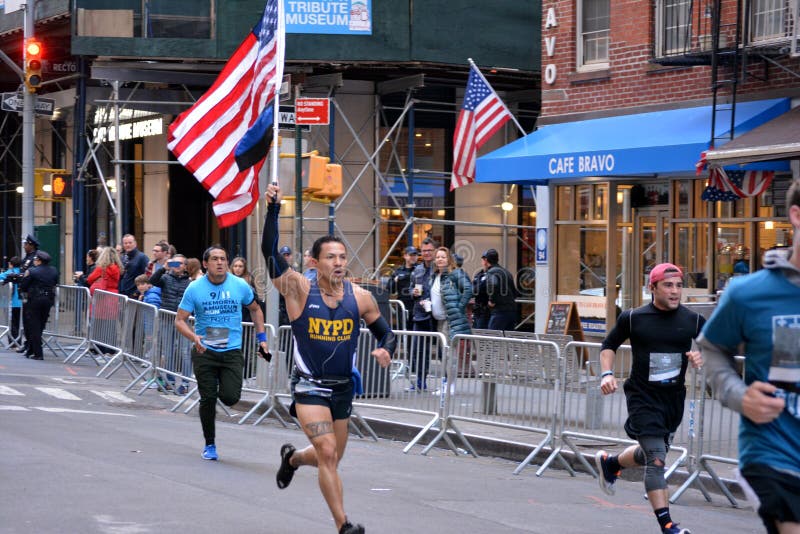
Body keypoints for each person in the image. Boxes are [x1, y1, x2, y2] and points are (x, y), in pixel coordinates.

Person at [262, 183, 394, 534]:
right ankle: (344, 526)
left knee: (327, 455)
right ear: (314, 262)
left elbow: (386, 332)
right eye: (330, 257)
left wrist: (386, 349)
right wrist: (273, 210)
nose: (337, 262)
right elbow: (269, 253)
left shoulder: (361, 296)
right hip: (309, 387)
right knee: (329, 452)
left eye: (341, 257)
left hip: (341, 389)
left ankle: (292, 458)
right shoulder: (298, 289)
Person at [697, 181, 800, 534]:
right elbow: (710, 349)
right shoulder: (750, 293)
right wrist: (739, 396)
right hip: (775, 452)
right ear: (796, 216)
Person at [594, 263, 705, 534]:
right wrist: (607, 374)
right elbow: (608, 346)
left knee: (650, 452)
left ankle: (611, 463)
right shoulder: (633, 318)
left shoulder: (693, 320)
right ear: (652, 288)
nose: (675, 291)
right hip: (642, 398)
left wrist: (701, 355)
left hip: (673, 400)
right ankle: (668, 525)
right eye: (668, 285)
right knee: (657, 458)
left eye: (679, 285)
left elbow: (717, 347)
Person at [175, 245, 268, 461]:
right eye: (215, 259)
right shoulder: (195, 288)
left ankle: (219, 392)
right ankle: (210, 444)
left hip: (231, 351)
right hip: (204, 349)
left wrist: (262, 339)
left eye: (223, 259)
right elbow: (179, 320)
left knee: (230, 396)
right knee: (207, 398)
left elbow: (255, 309)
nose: (220, 263)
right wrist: (193, 337)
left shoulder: (239, 285)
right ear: (205, 264)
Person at [149, 254, 193, 394]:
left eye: (180, 263)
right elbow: (152, 280)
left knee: (185, 352)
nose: (177, 266)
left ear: (185, 266)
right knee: (168, 352)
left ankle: (185, 383)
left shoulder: (190, 282)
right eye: (174, 263)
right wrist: (163, 268)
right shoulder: (165, 278)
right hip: (167, 319)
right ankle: (170, 380)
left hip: (184, 320)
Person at [409, 237, 438, 391]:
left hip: (437, 316)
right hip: (420, 315)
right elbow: (410, 289)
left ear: (435, 251)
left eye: (429, 250)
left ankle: (447, 383)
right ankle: (420, 381)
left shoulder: (440, 269)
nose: (426, 253)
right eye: (424, 251)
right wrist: (412, 293)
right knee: (419, 350)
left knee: (442, 350)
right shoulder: (417, 270)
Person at [19, 251, 58, 360]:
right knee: (41, 325)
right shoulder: (54, 271)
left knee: (34, 326)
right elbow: (54, 282)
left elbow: (24, 286)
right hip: (48, 300)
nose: (34, 261)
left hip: (35, 300)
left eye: (35, 260)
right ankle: (31, 349)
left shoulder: (32, 271)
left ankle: (38, 353)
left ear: (39, 261)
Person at [429, 247, 472, 340]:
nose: (440, 259)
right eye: (437, 257)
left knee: (448, 350)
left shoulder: (455, 273)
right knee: (444, 348)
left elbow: (468, 289)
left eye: (443, 257)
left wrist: (460, 306)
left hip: (450, 319)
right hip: (439, 320)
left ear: (449, 259)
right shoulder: (435, 276)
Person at [482, 248, 519, 331]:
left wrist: (492, 301)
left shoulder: (491, 272)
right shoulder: (506, 272)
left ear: (486, 260)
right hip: (512, 311)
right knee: (507, 339)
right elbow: (514, 292)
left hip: (500, 312)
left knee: (493, 338)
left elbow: (493, 284)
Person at [16, 234, 40, 354]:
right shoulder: (28, 257)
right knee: (26, 321)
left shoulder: (34, 258)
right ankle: (27, 344)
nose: (24, 246)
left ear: (31, 245)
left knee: (30, 321)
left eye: (26, 244)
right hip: (25, 293)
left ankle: (31, 345)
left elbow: (29, 275)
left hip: (32, 294)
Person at [387, 245, 418, 328]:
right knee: (404, 329)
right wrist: (395, 281)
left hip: (416, 305)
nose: (413, 257)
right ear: (405, 256)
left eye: (415, 255)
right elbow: (389, 289)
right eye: (411, 255)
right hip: (403, 306)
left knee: (416, 332)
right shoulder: (398, 271)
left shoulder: (420, 270)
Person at [230, 256, 265, 324]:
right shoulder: (227, 279)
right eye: (235, 266)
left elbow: (254, 298)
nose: (238, 268)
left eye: (240, 266)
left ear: (244, 268)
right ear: (232, 267)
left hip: (246, 314)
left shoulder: (249, 279)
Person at [0, 257, 22, 345]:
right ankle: (18, 341)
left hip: (9, 302)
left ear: (11, 264)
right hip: (20, 302)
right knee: (18, 323)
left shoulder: (8, 273)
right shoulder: (22, 272)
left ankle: (12, 342)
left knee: (10, 323)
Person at [119, 234, 149, 298]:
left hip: (135, 295)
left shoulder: (142, 257)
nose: (128, 245)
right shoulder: (122, 257)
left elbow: (147, 275)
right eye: (125, 243)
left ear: (135, 243)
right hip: (123, 294)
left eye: (130, 243)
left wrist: (137, 292)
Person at [471, 256, 491, 329]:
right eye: (483, 260)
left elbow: (479, 289)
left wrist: (477, 288)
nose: (485, 263)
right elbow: (473, 290)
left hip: (485, 310)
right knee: (475, 332)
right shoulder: (479, 274)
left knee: (481, 333)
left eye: (486, 260)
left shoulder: (492, 274)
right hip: (477, 310)